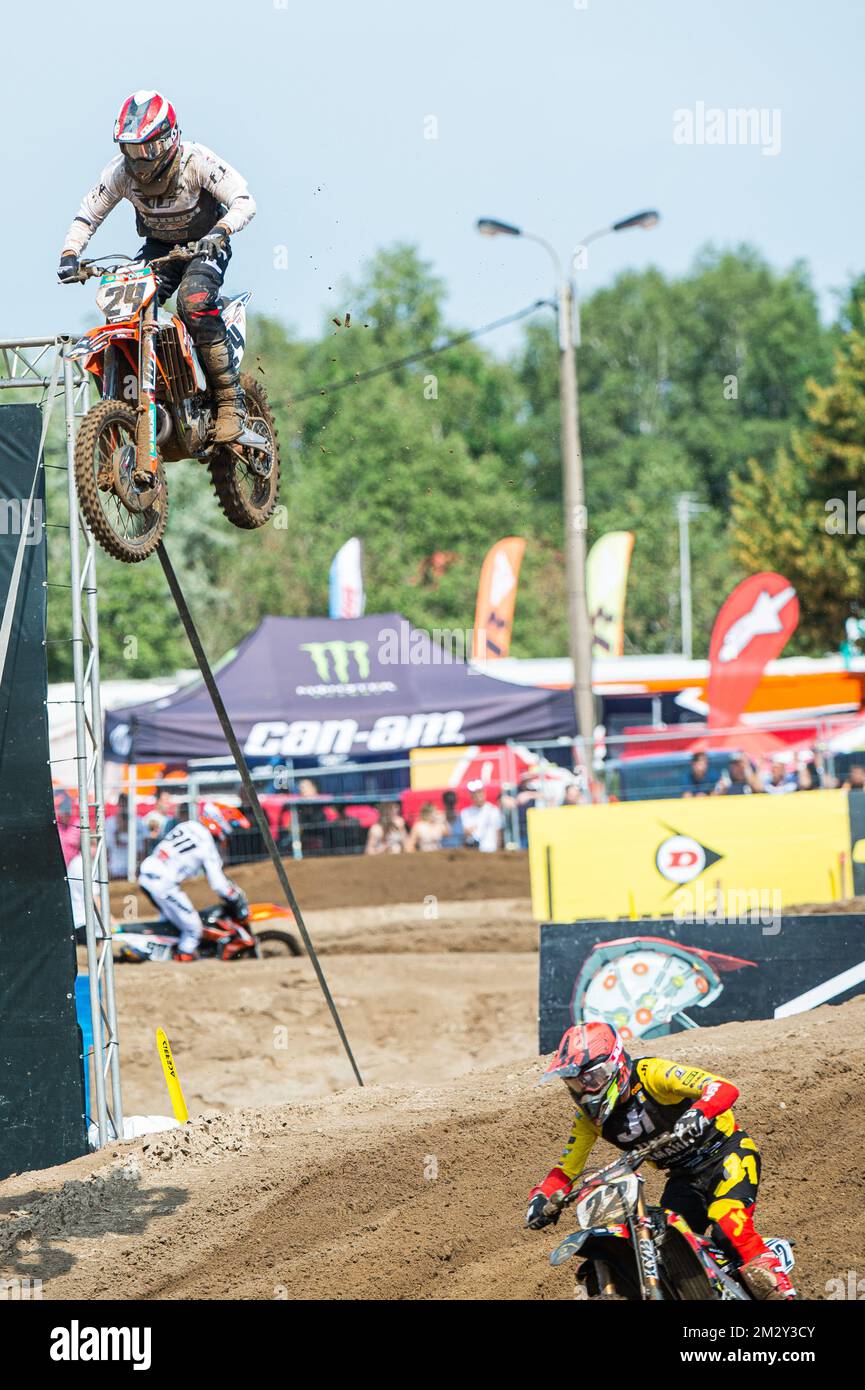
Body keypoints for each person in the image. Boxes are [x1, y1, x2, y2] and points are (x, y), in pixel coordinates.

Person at [525, 1022, 795, 1301]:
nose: (585, 1091)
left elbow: (722, 1087)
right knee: (663, 1244)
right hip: (683, 1177)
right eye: (575, 1084)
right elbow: (566, 1168)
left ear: (614, 1066)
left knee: (728, 1222)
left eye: (590, 1079)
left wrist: (700, 1112)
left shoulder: (651, 1074)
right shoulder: (589, 1120)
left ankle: (779, 1292)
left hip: (725, 1154)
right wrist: (541, 1199)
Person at [57, 91, 256, 445]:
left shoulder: (196, 160)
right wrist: (70, 253)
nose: (137, 160)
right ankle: (127, 401)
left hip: (205, 244)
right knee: (120, 308)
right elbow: (88, 214)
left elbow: (243, 201)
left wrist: (221, 230)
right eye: (129, 149)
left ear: (168, 140)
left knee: (193, 301)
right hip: (158, 249)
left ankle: (229, 403)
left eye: (145, 149)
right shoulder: (120, 173)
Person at [137, 801, 250, 961]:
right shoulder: (207, 845)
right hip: (163, 884)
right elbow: (218, 884)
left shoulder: (188, 825)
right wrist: (234, 897)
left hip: (148, 873)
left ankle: (149, 951)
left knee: (170, 925)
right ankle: (184, 956)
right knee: (193, 929)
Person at [459, 781, 504, 852]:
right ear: (471, 796)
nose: (477, 796)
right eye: (474, 794)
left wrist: (498, 848)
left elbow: (498, 831)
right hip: (474, 851)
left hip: (491, 849)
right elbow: (466, 831)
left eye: (479, 792)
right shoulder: (465, 812)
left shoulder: (493, 810)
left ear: (484, 793)